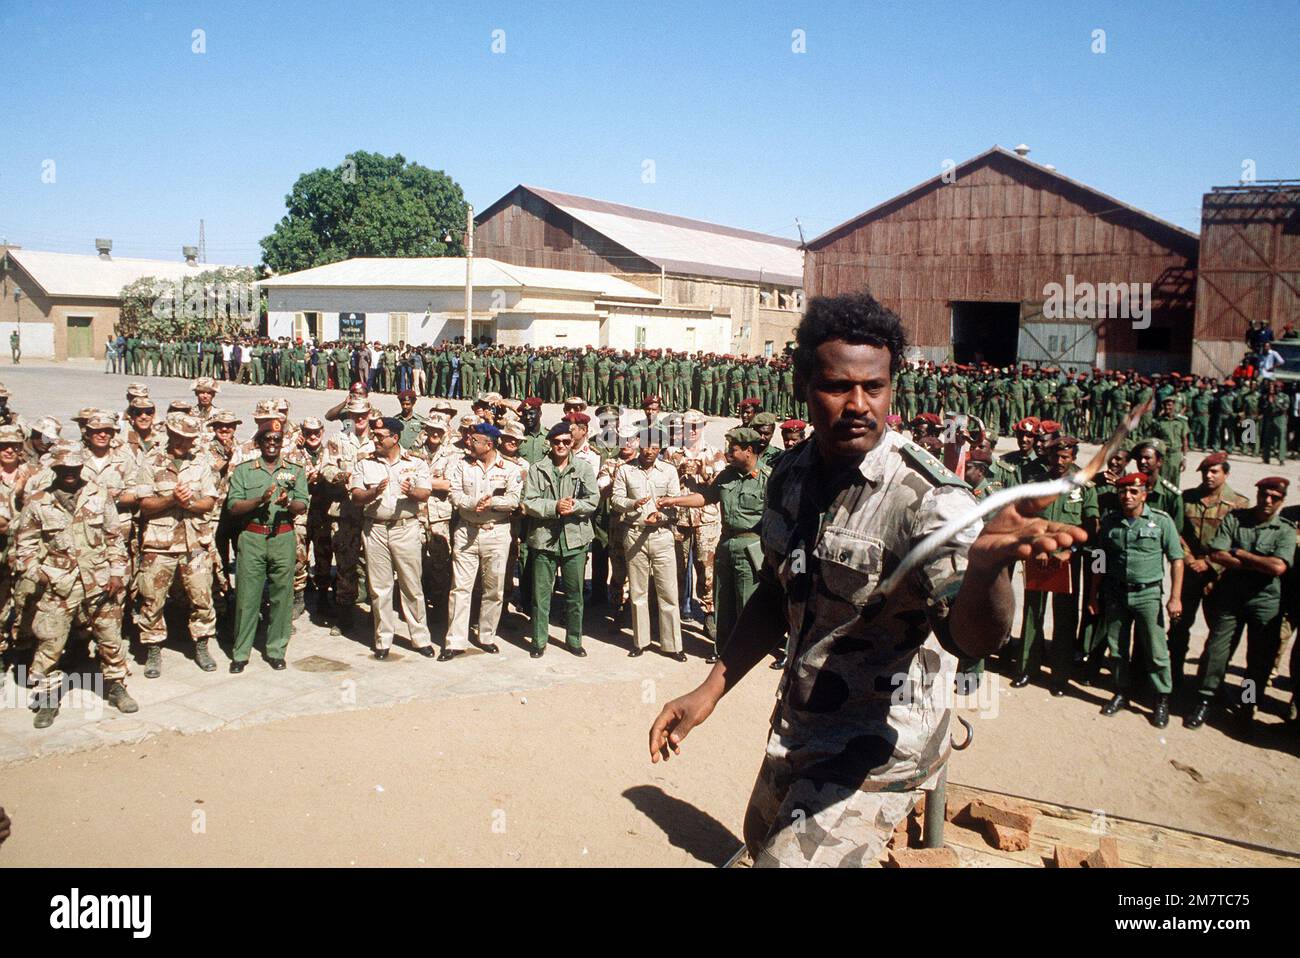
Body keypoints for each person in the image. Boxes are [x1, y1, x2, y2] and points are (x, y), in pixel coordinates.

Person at [647, 292, 1082, 867]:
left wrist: (986, 570)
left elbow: (972, 639)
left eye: (873, 387)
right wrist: (710, 689)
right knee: (758, 840)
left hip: (880, 748)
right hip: (803, 723)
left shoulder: (928, 501)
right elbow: (779, 592)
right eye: (837, 386)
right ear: (804, 388)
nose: (858, 404)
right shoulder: (792, 475)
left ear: (892, 390)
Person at [12, 442, 135, 728]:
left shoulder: (98, 494)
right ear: (54, 468)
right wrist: (38, 574)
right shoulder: (37, 500)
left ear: (81, 467)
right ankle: (47, 698)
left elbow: (114, 537)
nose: (69, 472)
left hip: (99, 580)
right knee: (50, 641)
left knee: (110, 636)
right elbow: (25, 545)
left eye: (74, 467)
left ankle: (116, 685)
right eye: (63, 468)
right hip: (58, 583)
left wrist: (117, 572)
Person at [1186, 477, 1296, 730]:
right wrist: (1259, 562)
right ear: (1257, 494)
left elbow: (1278, 567)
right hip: (1231, 597)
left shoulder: (1285, 530)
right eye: (1264, 495)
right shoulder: (1236, 519)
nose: (1267, 501)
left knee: (1258, 660)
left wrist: (1241, 554)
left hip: (1265, 601)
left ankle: (1247, 708)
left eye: (1274, 498)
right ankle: (1205, 700)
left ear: (1282, 501)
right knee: (1216, 651)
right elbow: (1217, 553)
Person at [659, 426, 769, 666]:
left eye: (734, 449)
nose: (729, 452)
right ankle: (722, 650)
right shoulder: (727, 475)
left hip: (752, 546)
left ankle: (747, 652)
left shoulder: (767, 479)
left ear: (749, 451)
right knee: (722, 600)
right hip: (726, 543)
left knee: (746, 601)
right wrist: (675, 500)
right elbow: (706, 497)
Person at [1088, 472, 1184, 728]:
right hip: (1116, 593)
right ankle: (1121, 691)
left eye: (1133, 492)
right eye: (1123, 492)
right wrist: (1093, 594)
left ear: (1144, 494)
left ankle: (1161, 699)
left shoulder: (1161, 522)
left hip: (1148, 595)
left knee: (1156, 649)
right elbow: (1099, 560)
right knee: (1117, 648)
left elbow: (1177, 559)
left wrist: (1175, 597)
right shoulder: (1110, 522)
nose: (1127, 497)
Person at [134, 413, 220, 678]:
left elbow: (210, 501)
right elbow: (144, 504)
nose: (188, 443)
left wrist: (189, 502)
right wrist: (171, 499)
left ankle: (202, 644)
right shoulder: (152, 463)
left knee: (201, 595)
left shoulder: (200, 463)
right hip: (160, 544)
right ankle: (153, 647)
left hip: (195, 540)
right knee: (152, 599)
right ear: (171, 435)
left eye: (191, 438)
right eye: (183, 438)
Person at [1013, 434, 1098, 694]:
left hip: (1067, 561)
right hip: (1038, 557)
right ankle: (1027, 668)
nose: (1060, 461)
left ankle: (1060, 676)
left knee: (1065, 617)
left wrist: (1071, 551)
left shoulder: (1085, 486)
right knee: (1032, 612)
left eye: (1065, 457)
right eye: (1055, 456)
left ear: (1073, 457)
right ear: (1048, 456)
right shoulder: (1036, 484)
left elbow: (1090, 525)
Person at [225, 420, 308, 672]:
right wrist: (258, 501)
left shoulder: (294, 470)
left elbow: (303, 504)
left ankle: (276, 649)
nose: (272, 443)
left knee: (282, 595)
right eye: (267, 439)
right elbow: (233, 506)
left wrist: (288, 501)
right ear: (259, 442)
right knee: (247, 597)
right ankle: (240, 653)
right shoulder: (244, 471)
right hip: (252, 538)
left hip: (282, 537)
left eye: (277, 439)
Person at [349, 416, 434, 659]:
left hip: (405, 528)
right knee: (380, 588)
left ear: (395, 438)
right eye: (375, 435)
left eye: (380, 436)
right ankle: (383, 639)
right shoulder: (365, 463)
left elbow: (425, 492)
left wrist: (412, 492)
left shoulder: (415, 462)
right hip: (374, 529)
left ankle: (420, 639)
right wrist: (372, 492)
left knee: (411, 586)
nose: (375, 439)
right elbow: (355, 495)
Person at [1166, 453, 1248, 697]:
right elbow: (1176, 533)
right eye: (1205, 472)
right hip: (1190, 574)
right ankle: (1174, 675)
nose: (1209, 476)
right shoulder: (1187, 498)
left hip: (1220, 580)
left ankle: (1211, 682)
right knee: (1179, 626)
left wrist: (1211, 564)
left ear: (1226, 474)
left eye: (1215, 472)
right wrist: (1191, 560)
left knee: (1220, 634)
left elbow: (1239, 543)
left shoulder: (1239, 504)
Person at [442, 423, 523, 660]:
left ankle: (486, 635)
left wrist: (492, 504)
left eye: (474, 440)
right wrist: (472, 503)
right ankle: (455, 641)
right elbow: (454, 493)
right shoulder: (461, 466)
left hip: (496, 533)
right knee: (460, 588)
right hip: (466, 531)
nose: (468, 442)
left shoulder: (509, 468)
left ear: (488, 445)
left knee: (494, 589)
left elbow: (514, 499)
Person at [521, 420, 599, 658]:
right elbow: (529, 501)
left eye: (566, 441)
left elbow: (593, 499)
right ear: (550, 443)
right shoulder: (537, 469)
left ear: (572, 442)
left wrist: (573, 506)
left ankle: (574, 639)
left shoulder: (583, 468)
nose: (562, 446)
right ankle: (538, 640)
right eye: (557, 442)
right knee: (541, 595)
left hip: (575, 539)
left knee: (574, 594)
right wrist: (555, 506)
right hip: (544, 539)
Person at [612, 426, 685, 660]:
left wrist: (661, 517)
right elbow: (615, 499)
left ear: (660, 448)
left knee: (667, 591)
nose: (649, 451)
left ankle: (672, 644)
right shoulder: (625, 470)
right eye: (645, 446)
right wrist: (633, 504)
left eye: (654, 447)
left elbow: (675, 504)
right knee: (638, 591)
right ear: (638, 445)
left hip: (661, 535)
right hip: (634, 533)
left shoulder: (669, 471)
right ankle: (640, 641)